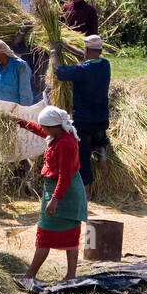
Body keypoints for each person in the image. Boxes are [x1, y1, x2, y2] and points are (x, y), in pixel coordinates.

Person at [16, 106, 88, 286]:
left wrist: (54, 200)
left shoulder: (65, 143)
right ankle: (70, 275)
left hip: (65, 191)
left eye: (47, 128)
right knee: (67, 231)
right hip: (60, 188)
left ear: (56, 126)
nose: (45, 131)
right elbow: (40, 129)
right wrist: (19, 122)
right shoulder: (58, 134)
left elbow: (65, 175)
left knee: (46, 232)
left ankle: (30, 275)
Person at [52, 34, 110, 191]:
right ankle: (101, 150)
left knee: (83, 157)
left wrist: (54, 51)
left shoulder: (80, 70)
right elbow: (85, 55)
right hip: (101, 118)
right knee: (99, 137)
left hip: (83, 121)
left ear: (86, 49)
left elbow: (57, 70)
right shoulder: (105, 65)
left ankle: (86, 194)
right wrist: (65, 46)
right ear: (100, 50)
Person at [0, 39, 34, 106]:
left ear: (3, 53)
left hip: (14, 111)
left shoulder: (20, 66)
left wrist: (24, 113)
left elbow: (25, 94)